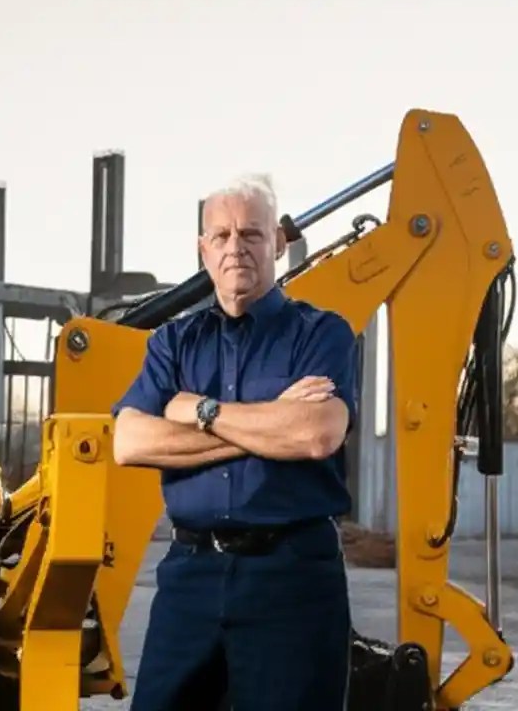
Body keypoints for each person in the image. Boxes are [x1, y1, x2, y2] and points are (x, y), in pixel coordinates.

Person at [111, 172, 358, 711]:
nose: (235, 247)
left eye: (250, 234)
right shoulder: (173, 343)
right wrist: (268, 429)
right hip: (189, 576)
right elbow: (128, 440)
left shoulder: (322, 334)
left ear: (279, 243)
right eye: (220, 236)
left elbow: (316, 435)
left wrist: (200, 412)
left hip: (291, 578)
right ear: (203, 249)